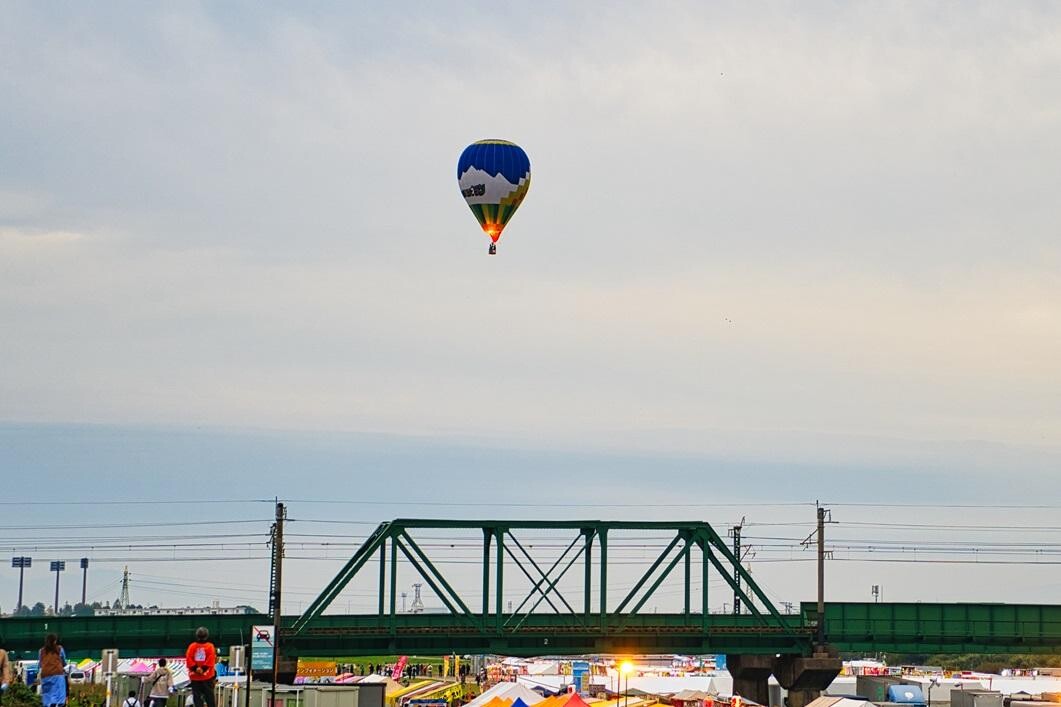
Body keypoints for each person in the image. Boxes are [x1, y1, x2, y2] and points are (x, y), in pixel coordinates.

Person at [185, 627, 217, 707]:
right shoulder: (210, 646)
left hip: (195, 677)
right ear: (207, 636)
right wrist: (203, 669)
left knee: (197, 697)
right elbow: (211, 659)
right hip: (207, 676)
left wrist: (196, 668)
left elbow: (189, 658)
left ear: (197, 636)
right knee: (210, 697)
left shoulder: (192, 646)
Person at [37, 633, 68, 707]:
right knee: (59, 695)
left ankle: (49, 704)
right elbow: (63, 661)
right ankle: (55, 704)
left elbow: (40, 664)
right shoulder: (59, 649)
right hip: (57, 674)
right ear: (55, 641)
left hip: (45, 675)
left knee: (47, 695)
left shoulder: (41, 651)